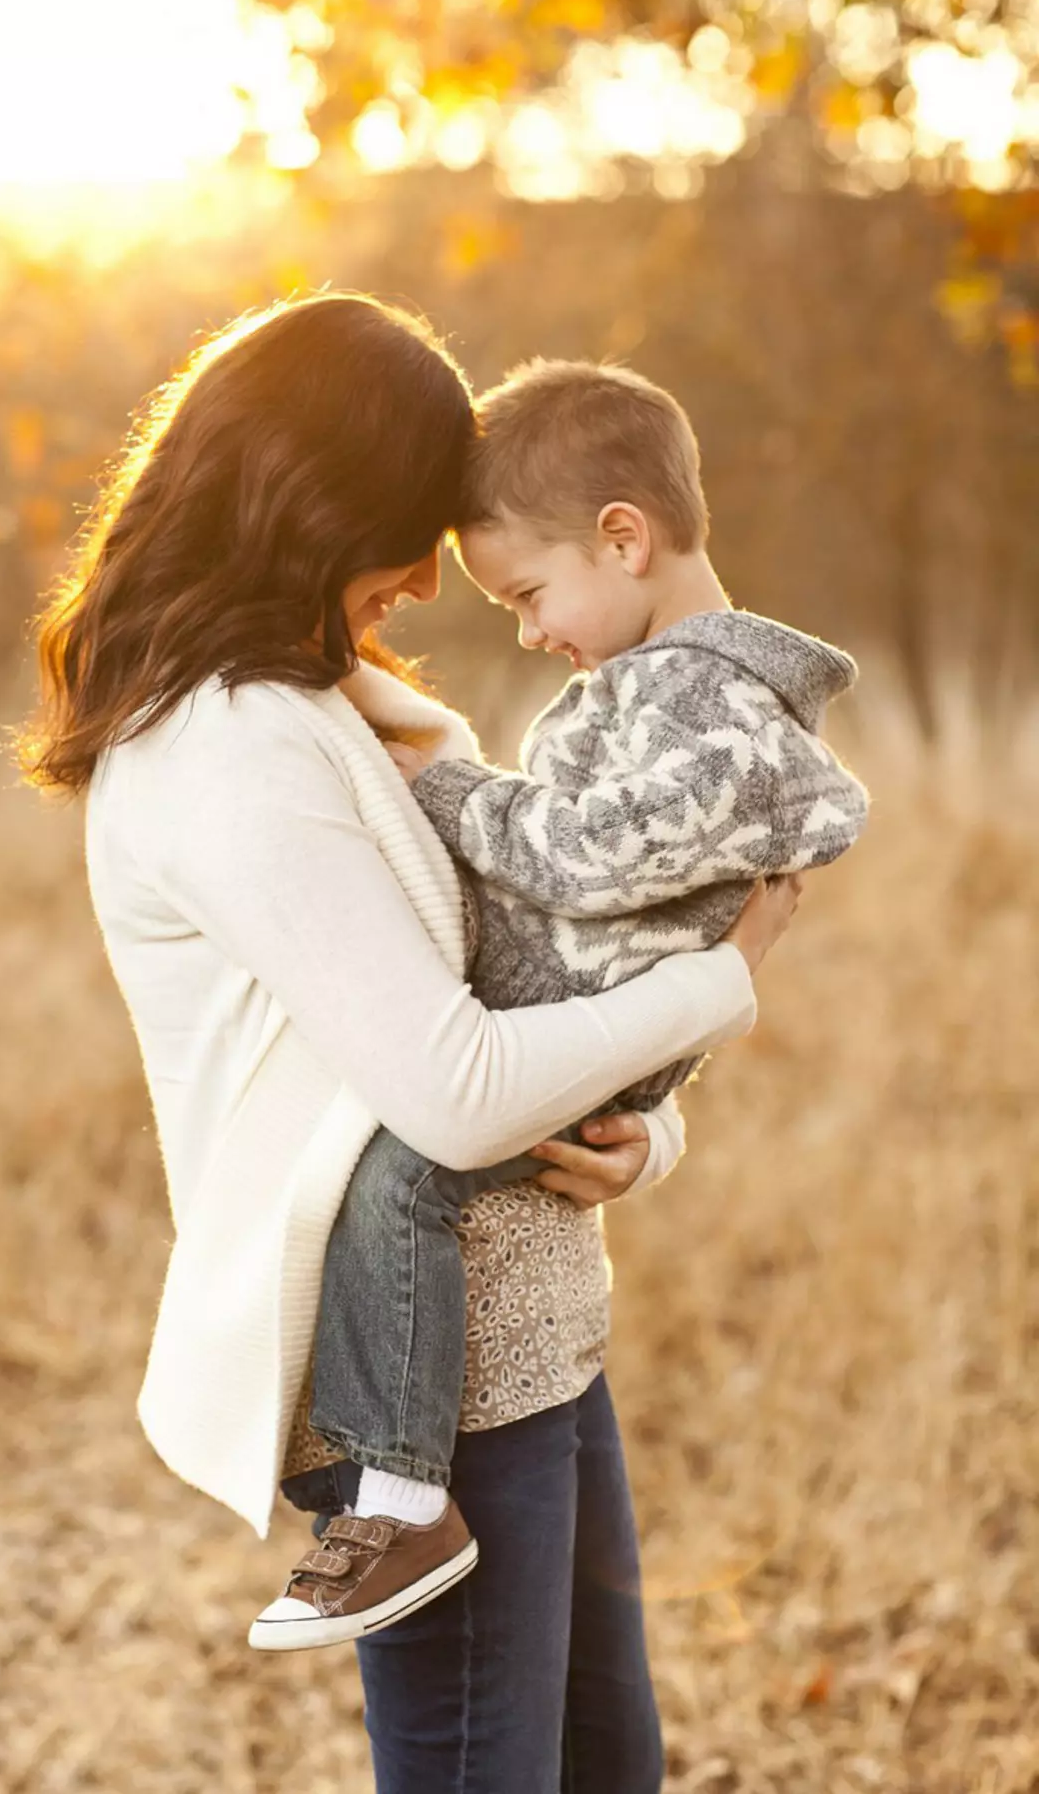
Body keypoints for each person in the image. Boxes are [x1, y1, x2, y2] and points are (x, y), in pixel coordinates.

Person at [17, 292, 800, 1794]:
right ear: (314, 509)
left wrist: (647, 1135)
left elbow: (530, 974)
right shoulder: (224, 750)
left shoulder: (324, 707)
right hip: (425, 1409)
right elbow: (452, 1090)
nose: (433, 587)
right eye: (414, 532)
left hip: (535, 1339)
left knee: (601, 1773)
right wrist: (733, 975)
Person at [253, 357, 868, 1653]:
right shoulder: (667, 687)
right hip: (601, 1028)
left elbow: (592, 858)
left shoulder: (702, 697)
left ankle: (398, 1494)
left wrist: (446, 788)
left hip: (586, 1029)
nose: (528, 631)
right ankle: (383, 1479)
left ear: (624, 538)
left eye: (530, 594)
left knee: (400, 1178)